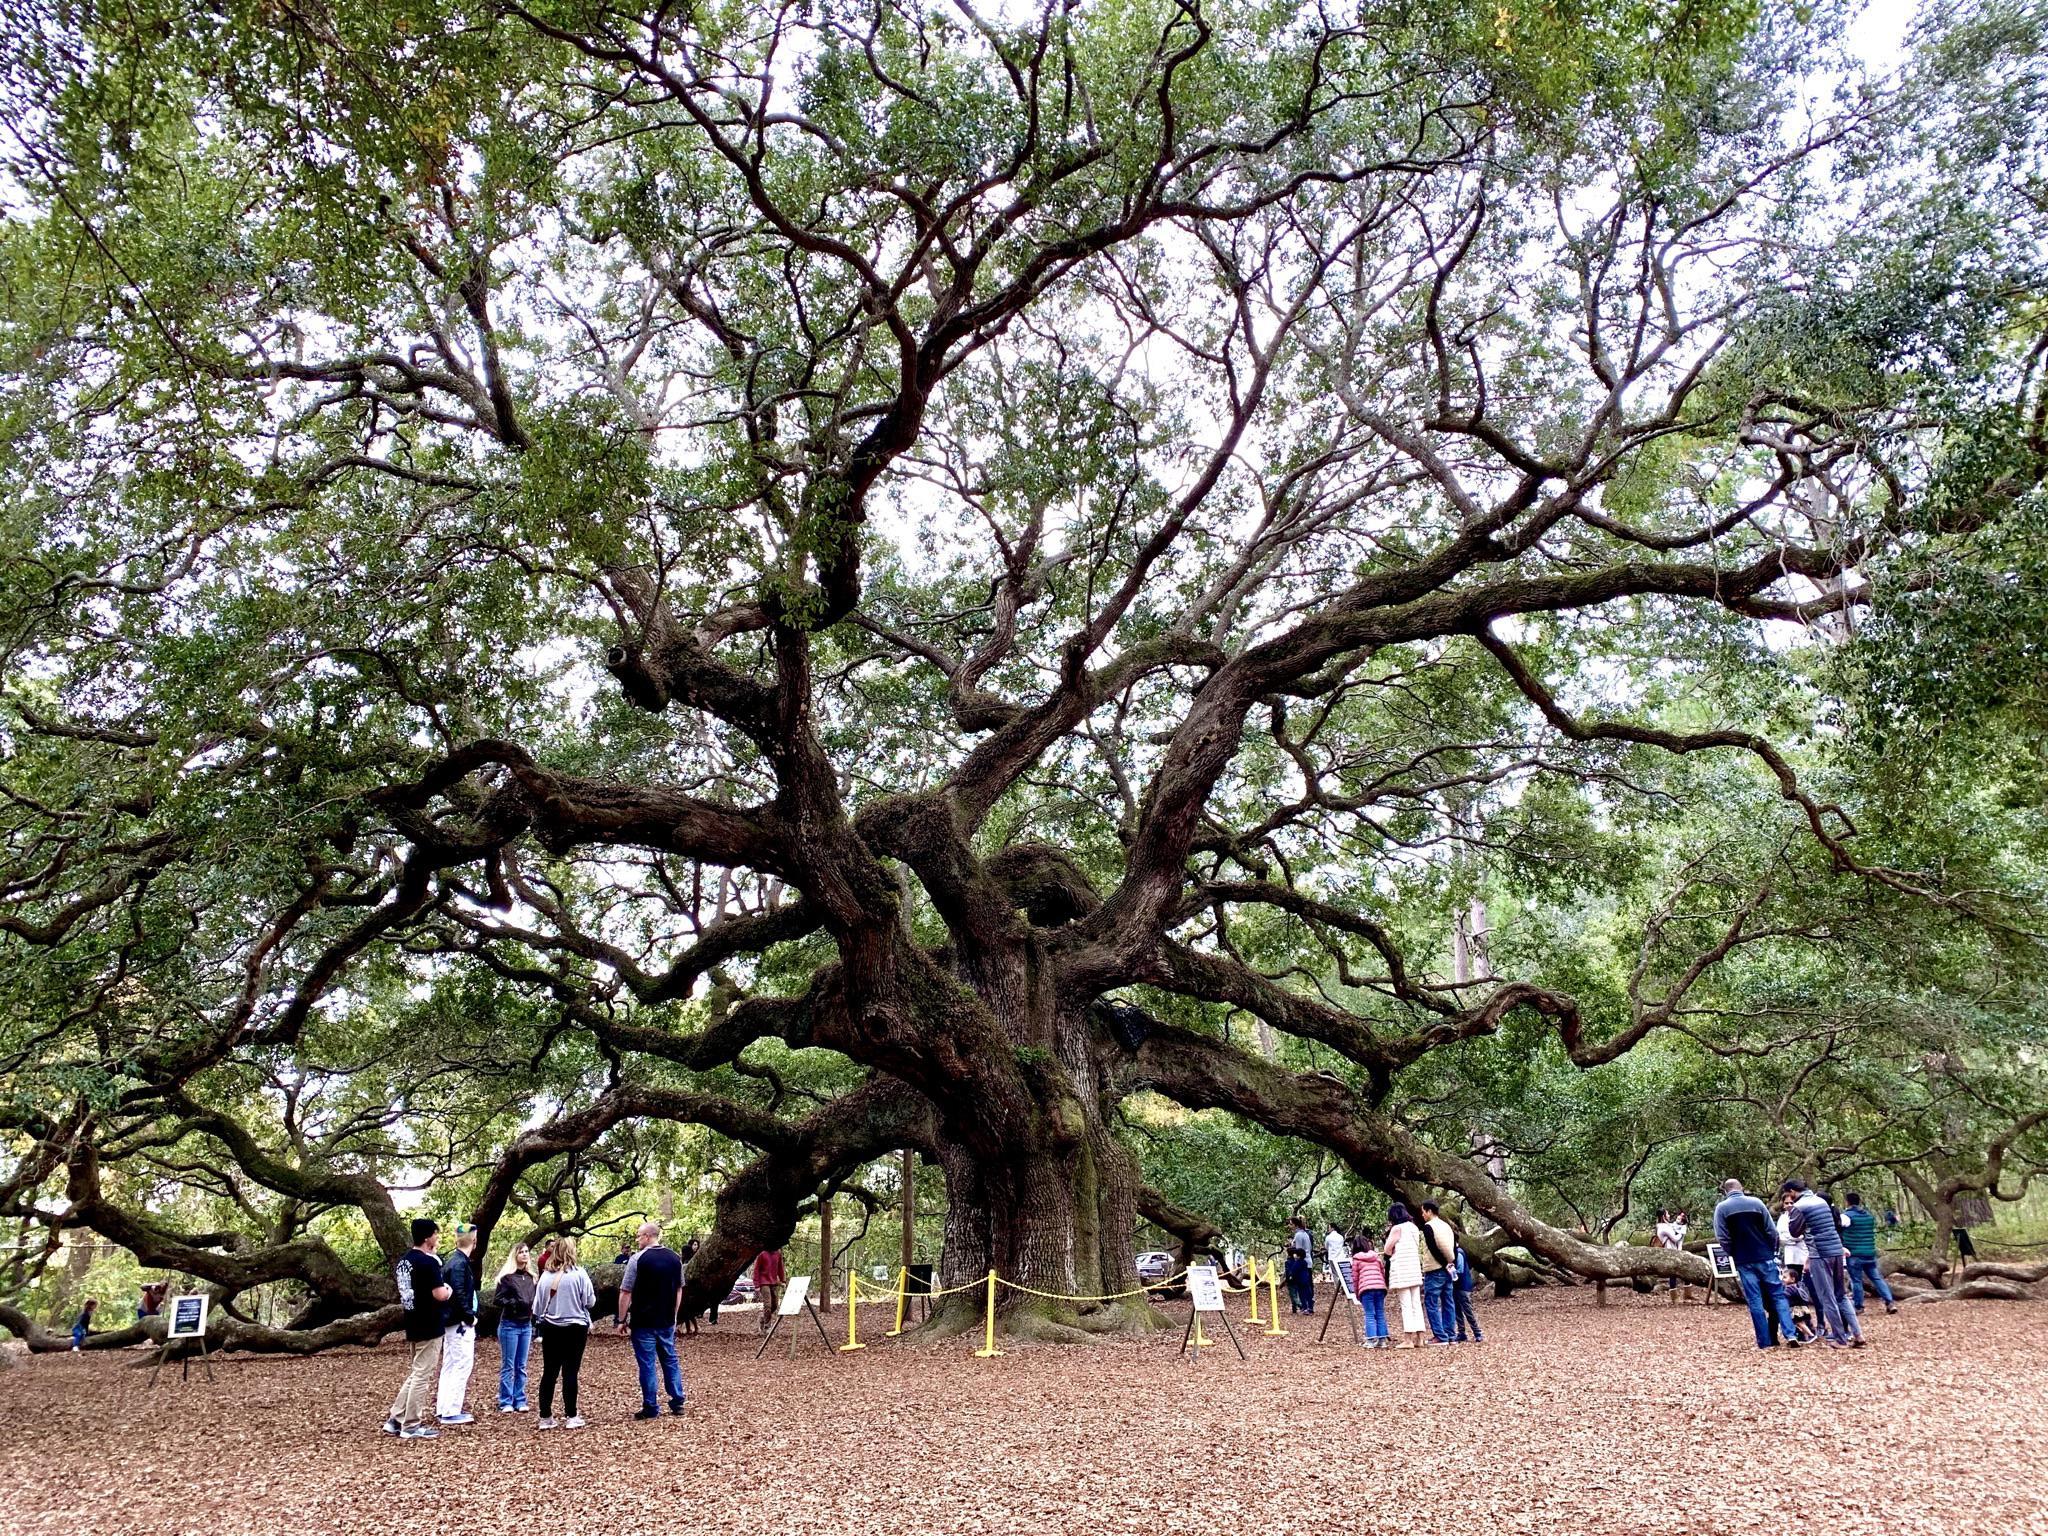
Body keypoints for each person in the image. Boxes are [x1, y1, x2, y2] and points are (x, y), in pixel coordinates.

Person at [383, 1217, 454, 1440]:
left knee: (416, 1372)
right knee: (422, 1375)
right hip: (430, 1324)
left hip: (412, 1321)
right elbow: (439, 1294)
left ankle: (396, 1419)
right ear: (427, 1237)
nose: (437, 1237)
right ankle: (411, 1425)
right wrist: (449, 1290)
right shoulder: (428, 1263)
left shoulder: (404, 1262)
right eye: (435, 1234)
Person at [1713, 1179, 1800, 1351]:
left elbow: (1722, 1237)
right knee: (1778, 1296)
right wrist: (1771, 1250)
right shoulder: (1757, 1203)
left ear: (1725, 1191)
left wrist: (1733, 1252)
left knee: (1755, 1300)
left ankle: (1764, 1341)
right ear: (1742, 1188)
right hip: (1765, 1257)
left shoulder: (1722, 1209)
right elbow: (1771, 1231)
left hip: (1744, 1260)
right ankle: (1790, 1334)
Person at [616, 1220, 687, 1421]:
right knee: (670, 1359)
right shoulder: (674, 1258)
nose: (637, 1240)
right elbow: (679, 1289)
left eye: (639, 1236)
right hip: (666, 1319)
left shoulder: (637, 1260)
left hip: (643, 1321)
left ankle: (651, 1405)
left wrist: (621, 1319)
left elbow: (626, 1291)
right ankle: (677, 1400)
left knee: (647, 1364)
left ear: (648, 1236)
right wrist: (674, 1314)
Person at [1782, 1181, 1859, 1348]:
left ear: (1792, 1191)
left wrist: (1792, 1216)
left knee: (1827, 1297)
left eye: (1789, 1195)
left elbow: (1794, 1232)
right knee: (1841, 1295)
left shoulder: (1799, 1207)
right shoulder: (1821, 1201)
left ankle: (1840, 1339)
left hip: (1820, 1254)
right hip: (1836, 1250)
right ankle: (1858, 1335)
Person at [533, 1236, 596, 1430]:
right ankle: (571, 1415)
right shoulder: (579, 1274)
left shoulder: (545, 1276)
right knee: (570, 1371)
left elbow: (537, 1307)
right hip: (575, 1328)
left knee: (549, 1372)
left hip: (551, 1328)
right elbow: (590, 1301)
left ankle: (545, 1416)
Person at [435, 1223, 481, 1425]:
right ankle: (451, 1410)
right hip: (459, 1322)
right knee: (462, 1363)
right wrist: (469, 1316)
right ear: (474, 1240)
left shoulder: (453, 1261)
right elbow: (459, 1293)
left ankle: (443, 1407)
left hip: (451, 1321)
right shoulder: (459, 1264)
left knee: (450, 1363)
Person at [493, 1242, 536, 1413]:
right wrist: (514, 1303)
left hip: (526, 1324)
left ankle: (520, 1399)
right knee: (508, 1365)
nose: (524, 1254)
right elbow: (498, 1299)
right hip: (510, 1324)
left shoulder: (532, 1277)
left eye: (526, 1252)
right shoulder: (507, 1278)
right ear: (515, 1255)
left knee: (521, 1365)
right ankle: (505, 1400)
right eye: (521, 1252)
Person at [1840, 1193, 1897, 1315]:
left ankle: (1859, 1306)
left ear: (1847, 1202)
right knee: (1877, 1278)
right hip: (1869, 1253)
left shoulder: (1846, 1217)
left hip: (1854, 1254)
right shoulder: (1868, 1216)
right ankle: (1890, 1302)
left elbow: (1838, 1227)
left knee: (1856, 1280)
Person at [1381, 1202, 1428, 1348]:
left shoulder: (1397, 1228)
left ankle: (1408, 1339)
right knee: (1416, 1304)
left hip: (1402, 1270)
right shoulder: (1414, 1227)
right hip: (1414, 1268)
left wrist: (1392, 1252)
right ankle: (1420, 1338)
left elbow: (1387, 1249)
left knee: (1406, 1304)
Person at [1417, 1199, 1458, 1345]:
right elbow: (1454, 1246)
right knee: (1448, 1302)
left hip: (1435, 1269)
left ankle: (1440, 1336)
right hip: (1448, 1270)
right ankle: (1450, 1335)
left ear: (1429, 1211)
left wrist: (1444, 1264)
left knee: (1431, 1302)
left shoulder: (1428, 1227)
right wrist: (1451, 1263)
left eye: (1423, 1212)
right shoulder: (1446, 1226)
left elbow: (1433, 1248)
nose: (1422, 1215)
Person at [1350, 1231, 1389, 1347]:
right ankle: (1382, 1340)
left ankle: (1370, 1340)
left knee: (1369, 1314)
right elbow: (1382, 1272)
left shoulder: (1356, 1260)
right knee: (1380, 1313)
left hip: (1366, 1289)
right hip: (1380, 1287)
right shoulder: (1376, 1258)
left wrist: (1357, 1293)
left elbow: (1355, 1279)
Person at [1450, 1243, 1484, 1343]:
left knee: (1467, 1310)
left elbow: (1460, 1270)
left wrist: (1450, 1273)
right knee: (1457, 1310)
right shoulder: (1454, 1253)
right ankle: (1461, 1333)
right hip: (1456, 1286)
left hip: (1462, 1286)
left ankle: (1477, 1332)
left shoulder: (1459, 1253)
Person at [752, 1247, 786, 1330]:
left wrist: (783, 1280)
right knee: (768, 1305)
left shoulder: (778, 1253)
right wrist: (756, 1285)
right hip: (763, 1283)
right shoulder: (762, 1253)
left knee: (775, 1305)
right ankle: (767, 1326)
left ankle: (763, 1319)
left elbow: (780, 1267)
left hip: (774, 1282)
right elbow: (756, 1270)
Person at [677, 1236, 700, 1337]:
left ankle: (692, 1328)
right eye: (694, 1245)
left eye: (696, 1245)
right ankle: (689, 1328)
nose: (696, 1247)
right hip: (686, 1289)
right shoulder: (684, 1262)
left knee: (687, 1310)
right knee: (686, 1311)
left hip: (687, 1289)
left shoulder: (689, 1262)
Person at [1283, 1244, 1314, 1314]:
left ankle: (1305, 1307)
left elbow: (1294, 1270)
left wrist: (1291, 1276)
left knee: (1302, 1294)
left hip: (1300, 1281)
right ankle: (1310, 1307)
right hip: (1306, 1280)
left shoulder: (1297, 1263)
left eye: (1296, 1254)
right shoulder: (1305, 1262)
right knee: (1308, 1294)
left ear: (1298, 1255)